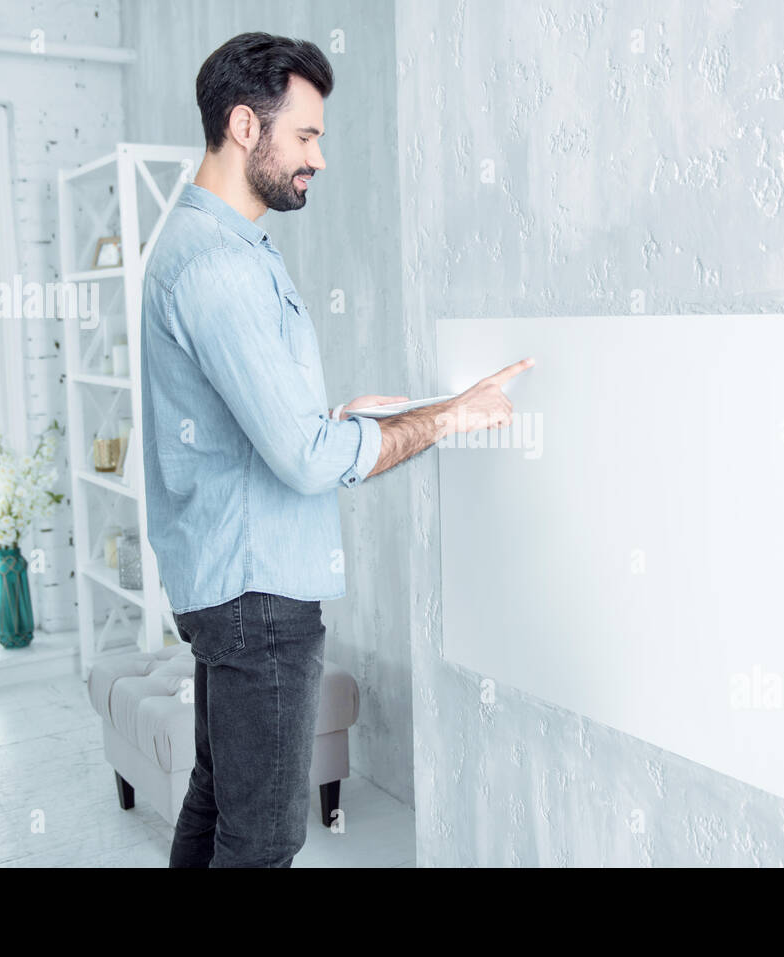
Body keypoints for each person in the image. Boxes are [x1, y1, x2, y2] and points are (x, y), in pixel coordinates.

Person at [140, 31, 533, 867]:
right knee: (265, 835)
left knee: (217, 799)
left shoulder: (223, 245)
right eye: (307, 136)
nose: (318, 157)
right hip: (257, 598)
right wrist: (451, 418)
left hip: (230, 584)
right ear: (246, 127)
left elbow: (254, 424)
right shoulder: (218, 265)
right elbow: (309, 462)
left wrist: (337, 414)